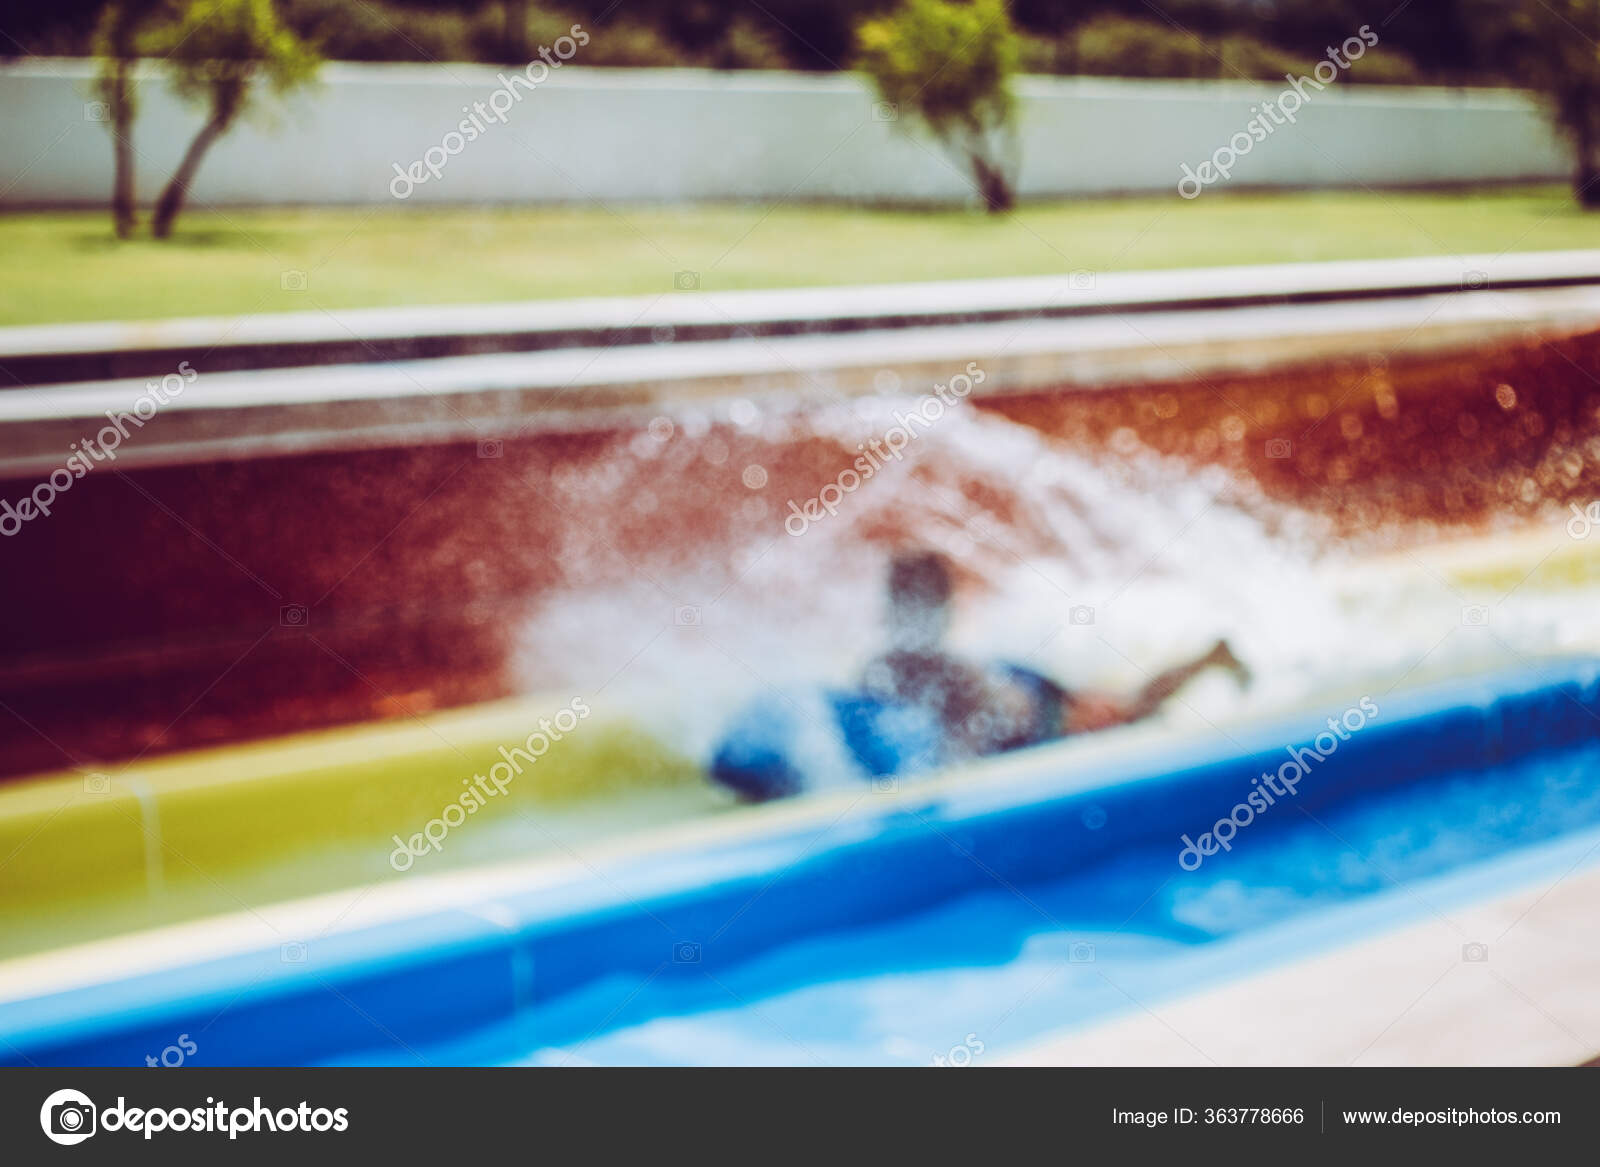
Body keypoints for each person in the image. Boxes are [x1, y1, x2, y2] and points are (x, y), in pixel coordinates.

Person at [859, 551, 1251, 764]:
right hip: (1011, 687)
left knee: (1132, 711)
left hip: (1042, 713)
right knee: (1124, 706)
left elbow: (968, 745)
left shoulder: (941, 669)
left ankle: (1213, 656)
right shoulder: (887, 667)